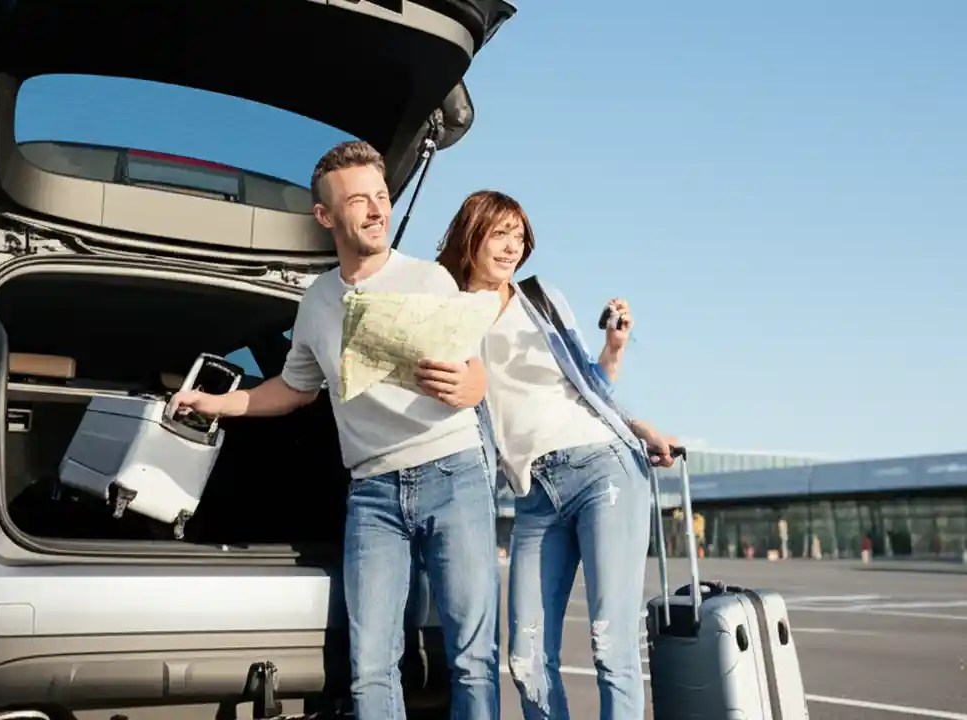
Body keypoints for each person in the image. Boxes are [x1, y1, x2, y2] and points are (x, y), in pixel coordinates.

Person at [170, 142, 501, 720]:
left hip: (454, 475)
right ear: (326, 217)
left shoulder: (429, 281)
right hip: (373, 493)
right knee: (371, 667)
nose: (376, 210)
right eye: (358, 201)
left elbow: (475, 380)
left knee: (471, 659)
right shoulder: (319, 301)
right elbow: (294, 389)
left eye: (381, 197)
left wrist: (466, 388)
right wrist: (220, 403)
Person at [435, 189, 678, 720]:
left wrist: (615, 358)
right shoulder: (447, 311)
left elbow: (589, 388)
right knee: (525, 659)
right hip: (533, 495)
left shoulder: (539, 297)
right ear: (470, 234)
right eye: (500, 234)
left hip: (601, 469)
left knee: (611, 646)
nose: (510, 248)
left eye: (519, 237)